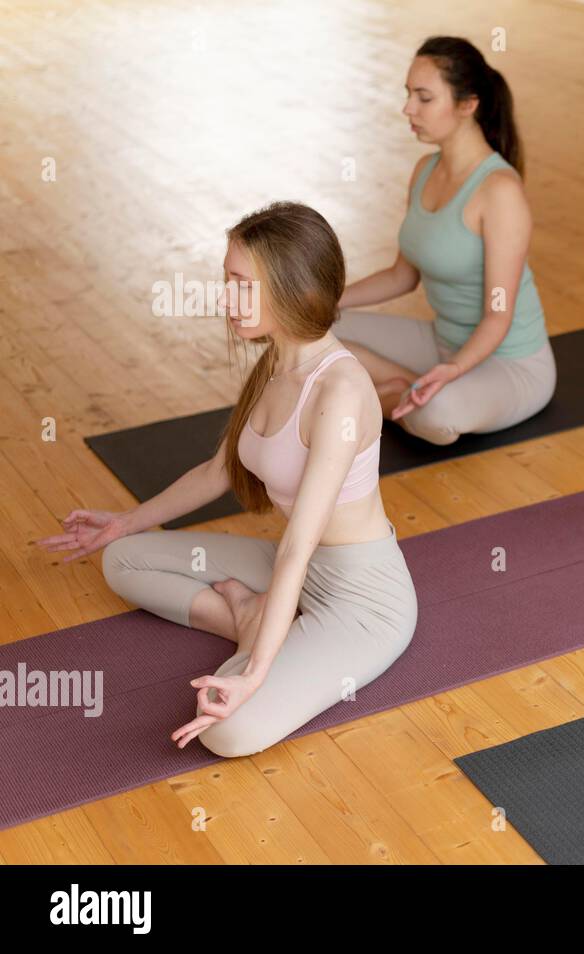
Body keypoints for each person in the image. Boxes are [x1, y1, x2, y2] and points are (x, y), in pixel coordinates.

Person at [36, 202, 417, 758]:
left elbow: (296, 546)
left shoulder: (339, 393)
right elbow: (219, 471)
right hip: (300, 570)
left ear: (290, 287)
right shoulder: (277, 364)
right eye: (226, 281)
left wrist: (254, 674)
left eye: (242, 285)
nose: (226, 299)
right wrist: (124, 521)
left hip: (361, 600)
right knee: (124, 558)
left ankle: (260, 627)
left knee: (226, 729)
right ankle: (246, 614)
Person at [334, 36, 556, 446]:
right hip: (440, 343)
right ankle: (404, 388)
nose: (408, 109)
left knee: (437, 412)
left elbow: (498, 317)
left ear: (467, 104)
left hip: (508, 365)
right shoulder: (425, 170)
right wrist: (330, 302)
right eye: (408, 95)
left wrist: (453, 371)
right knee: (312, 330)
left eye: (424, 98)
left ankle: (390, 394)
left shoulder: (500, 191)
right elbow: (403, 276)